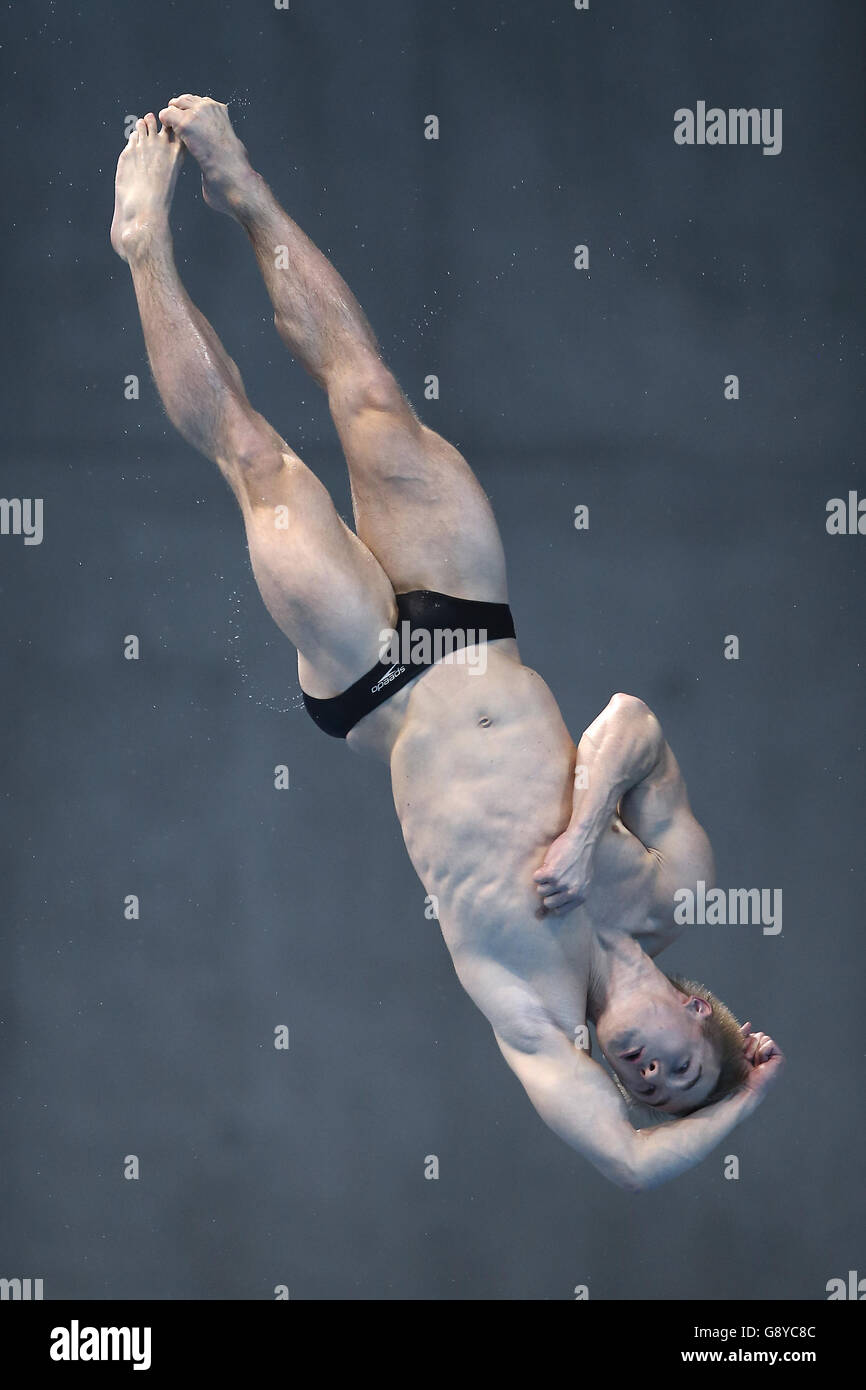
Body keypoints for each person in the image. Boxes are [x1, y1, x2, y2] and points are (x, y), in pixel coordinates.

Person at [111, 98, 783, 1190]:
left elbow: (631, 1166)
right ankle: (243, 187)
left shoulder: (534, 1015)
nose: (647, 1083)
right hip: (471, 626)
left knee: (254, 460)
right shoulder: (676, 893)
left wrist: (743, 1097)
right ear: (698, 1008)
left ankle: (142, 247)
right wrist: (577, 835)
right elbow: (633, 724)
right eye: (675, 1070)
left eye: (651, 1091)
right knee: (368, 390)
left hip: (373, 687)